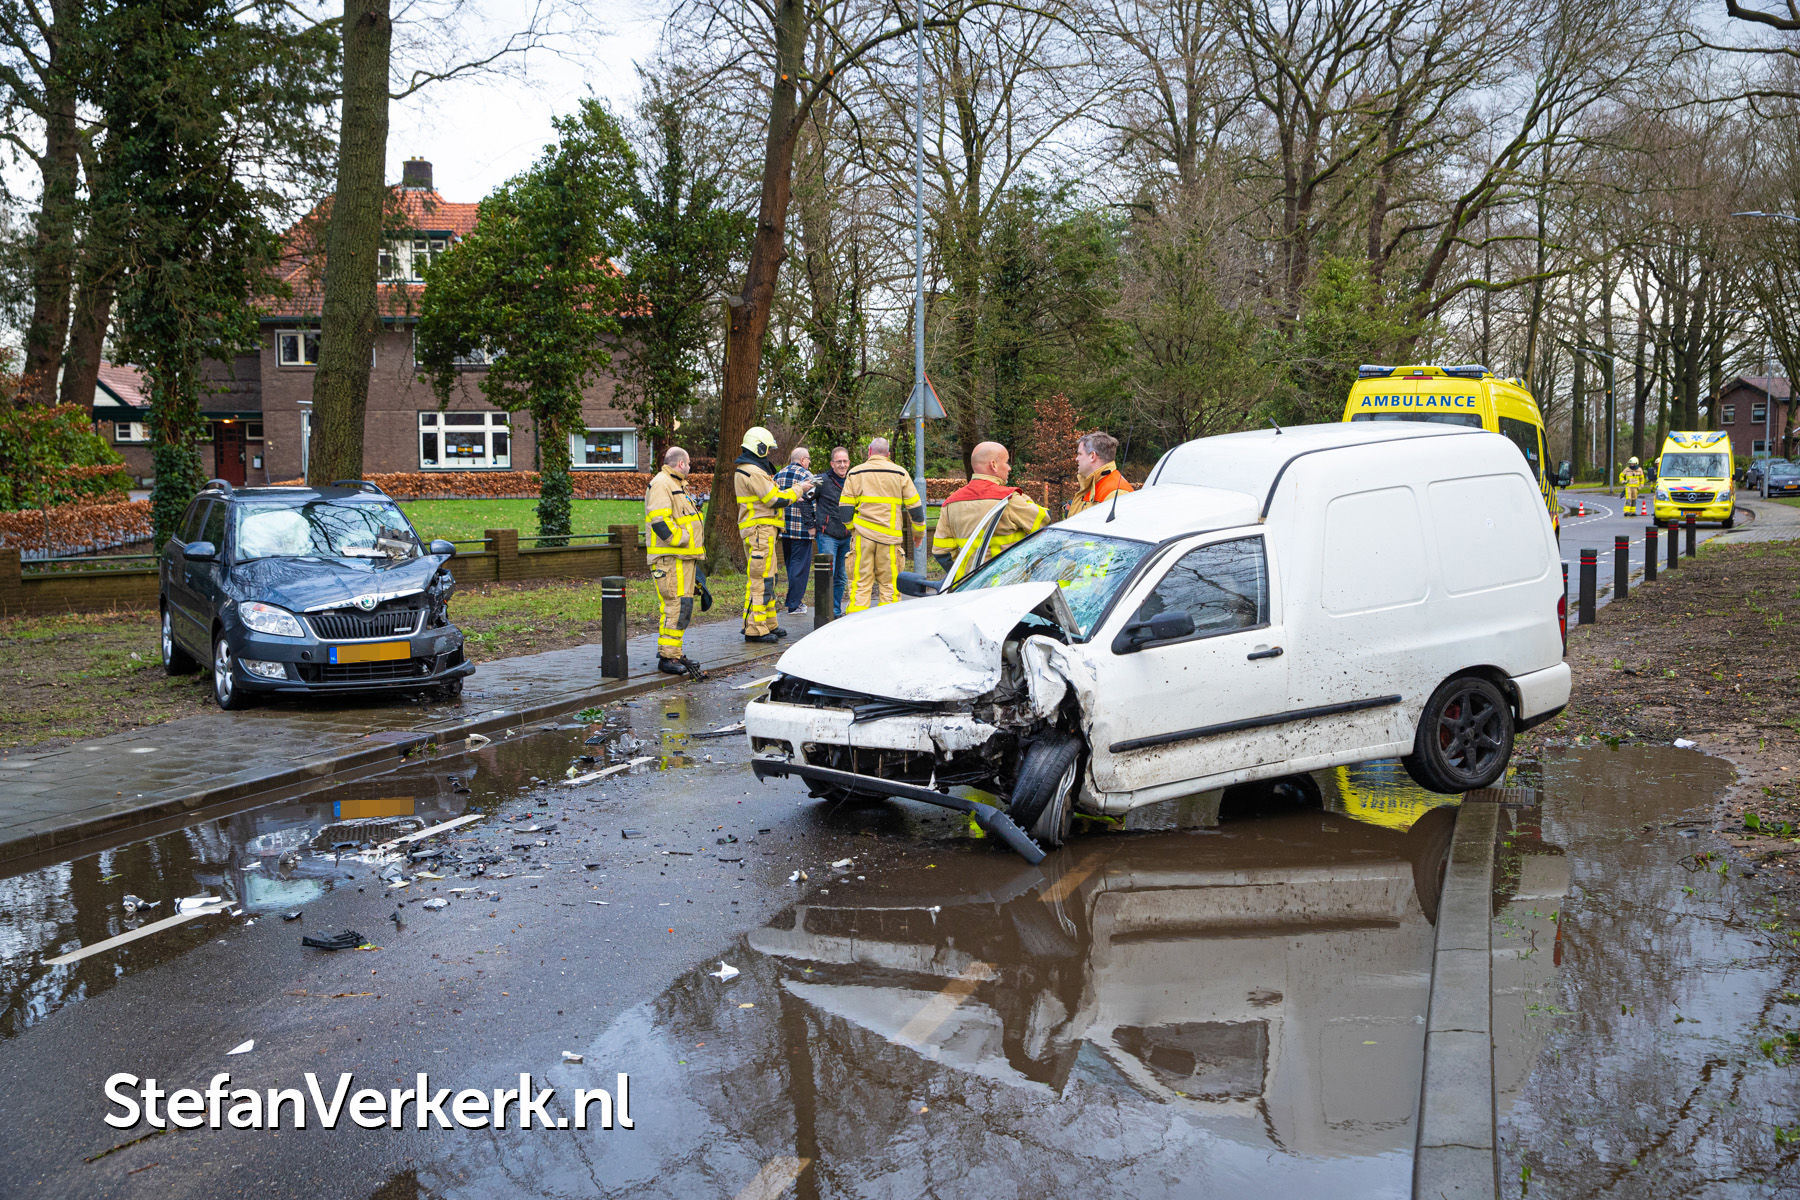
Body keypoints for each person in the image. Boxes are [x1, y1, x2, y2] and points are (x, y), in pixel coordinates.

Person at [733, 426, 816, 642]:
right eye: (767, 448)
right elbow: (774, 499)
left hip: (764, 532)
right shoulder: (752, 471)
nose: (769, 453)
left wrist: (791, 493)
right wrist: (799, 489)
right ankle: (754, 629)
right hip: (759, 532)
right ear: (758, 447)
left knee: (769, 578)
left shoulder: (753, 470)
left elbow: (773, 495)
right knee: (760, 580)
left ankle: (768, 623)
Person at [931, 441, 1048, 584]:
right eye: (1006, 462)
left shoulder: (950, 503)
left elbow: (941, 551)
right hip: (1009, 588)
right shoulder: (1009, 499)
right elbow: (1045, 522)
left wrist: (964, 579)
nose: (1009, 468)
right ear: (993, 465)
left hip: (970, 588)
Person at [837, 438, 924, 612]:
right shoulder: (900, 473)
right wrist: (918, 533)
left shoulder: (855, 473)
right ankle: (887, 625)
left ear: (869, 452)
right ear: (888, 454)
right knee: (890, 587)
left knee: (860, 585)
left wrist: (852, 528)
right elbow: (915, 508)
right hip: (889, 540)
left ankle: (856, 623)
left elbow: (845, 510)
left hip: (862, 539)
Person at [644, 446, 706, 676]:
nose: (690, 467)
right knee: (674, 606)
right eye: (688, 463)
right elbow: (660, 522)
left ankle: (674, 653)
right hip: (670, 559)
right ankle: (667, 657)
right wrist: (683, 539)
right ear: (681, 464)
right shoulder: (662, 484)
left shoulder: (676, 484)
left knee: (682, 607)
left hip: (682, 559)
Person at [775, 447, 816, 615]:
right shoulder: (807, 476)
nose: (809, 463)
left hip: (783, 528)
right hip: (802, 529)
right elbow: (813, 502)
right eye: (809, 460)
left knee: (791, 565)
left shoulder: (779, 475)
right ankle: (794, 604)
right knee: (800, 568)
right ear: (803, 460)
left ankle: (793, 600)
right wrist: (814, 524)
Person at [812, 446, 852, 618]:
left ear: (849, 462)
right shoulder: (821, 480)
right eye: (839, 461)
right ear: (832, 463)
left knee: (841, 577)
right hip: (827, 535)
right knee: (827, 575)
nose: (842, 465)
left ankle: (835, 612)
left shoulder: (853, 480)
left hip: (847, 535)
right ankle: (824, 614)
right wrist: (810, 524)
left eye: (845, 461)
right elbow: (803, 500)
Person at [1067, 431, 1134, 516]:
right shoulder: (1091, 483)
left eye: (1080, 454)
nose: (1076, 459)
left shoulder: (1117, 493)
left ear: (1092, 456)